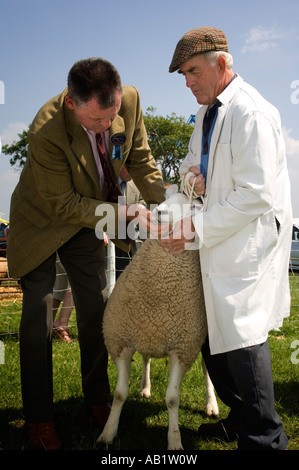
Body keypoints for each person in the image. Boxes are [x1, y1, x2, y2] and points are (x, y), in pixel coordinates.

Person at [7, 57, 167, 450]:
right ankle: (40, 420)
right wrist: (126, 213)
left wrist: (168, 207)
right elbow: (63, 205)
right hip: (44, 220)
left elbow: (139, 159)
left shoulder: (128, 101)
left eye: (110, 118)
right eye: (94, 122)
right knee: (38, 318)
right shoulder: (45, 130)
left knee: (98, 308)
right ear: (71, 104)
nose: (104, 128)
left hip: (90, 218)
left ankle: (96, 398)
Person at [161, 26, 292, 450]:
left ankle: (265, 438)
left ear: (221, 64)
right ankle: (240, 420)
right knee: (213, 339)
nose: (188, 82)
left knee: (243, 340)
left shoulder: (251, 112)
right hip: (215, 243)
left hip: (243, 247)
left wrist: (194, 227)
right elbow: (186, 166)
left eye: (193, 71)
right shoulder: (206, 114)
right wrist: (191, 179)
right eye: (183, 74)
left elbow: (255, 195)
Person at [52, 254, 73, 343]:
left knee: (60, 282)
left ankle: (46, 324)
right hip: (76, 244)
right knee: (77, 280)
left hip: (57, 244)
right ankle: (62, 322)